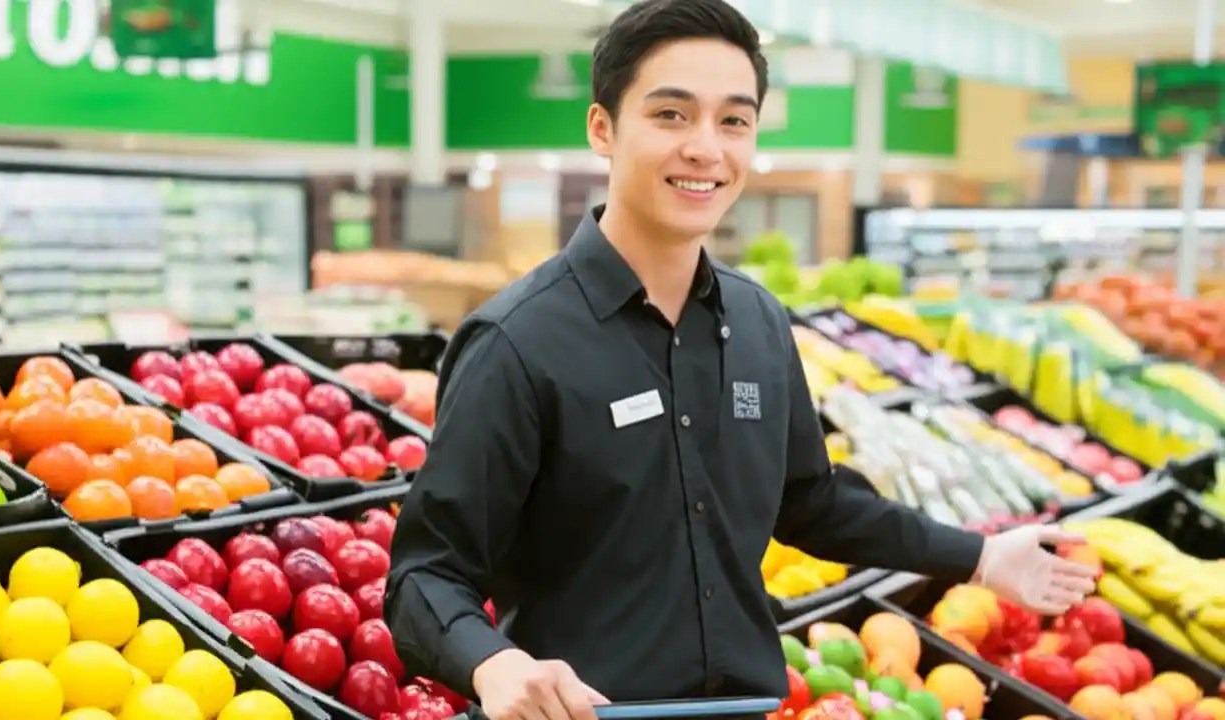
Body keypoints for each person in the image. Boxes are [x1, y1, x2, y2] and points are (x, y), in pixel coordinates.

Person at [385, 1, 1098, 719]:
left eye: (734, 120)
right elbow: (426, 574)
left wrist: (981, 557)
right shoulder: (516, 341)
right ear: (603, 129)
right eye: (671, 115)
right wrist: (493, 664)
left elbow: (809, 501)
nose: (707, 149)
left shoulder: (757, 321)